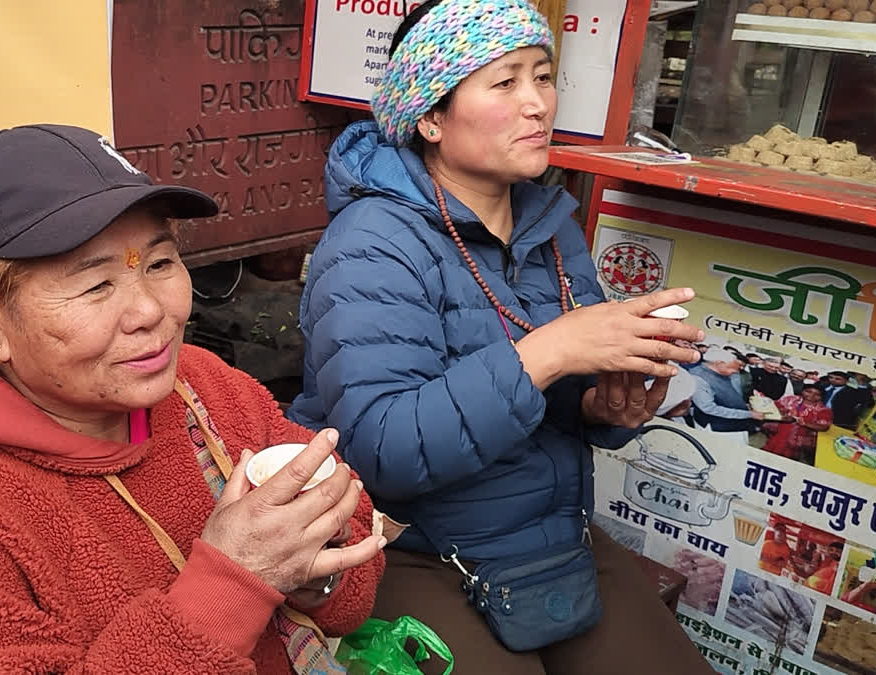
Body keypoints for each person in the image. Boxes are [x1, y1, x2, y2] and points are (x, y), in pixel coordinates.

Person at [0, 124, 384, 674]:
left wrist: (312, 572)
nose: (151, 312)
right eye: (95, 285)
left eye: (160, 264)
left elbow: (356, 563)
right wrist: (232, 585)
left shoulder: (204, 387)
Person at [289, 2, 710, 673]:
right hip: (417, 547)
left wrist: (602, 406)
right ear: (430, 118)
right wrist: (553, 350)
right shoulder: (372, 242)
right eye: (505, 82)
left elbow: (563, 390)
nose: (537, 104)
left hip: (551, 535)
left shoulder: (549, 224)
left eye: (542, 77)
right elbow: (381, 448)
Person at [689, 347, 762, 432]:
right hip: (718, 427)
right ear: (719, 363)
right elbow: (709, 408)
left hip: (736, 423)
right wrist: (748, 414)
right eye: (732, 368)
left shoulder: (722, 372)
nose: (735, 372)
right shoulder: (699, 378)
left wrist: (744, 406)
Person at [762, 384, 832, 464]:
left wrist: (805, 424)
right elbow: (775, 406)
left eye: (817, 394)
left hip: (797, 442)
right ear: (802, 391)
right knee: (766, 456)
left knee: (786, 463)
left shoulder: (824, 410)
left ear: (821, 397)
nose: (812, 395)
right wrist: (781, 412)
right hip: (778, 434)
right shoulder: (790, 399)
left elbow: (824, 427)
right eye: (808, 391)